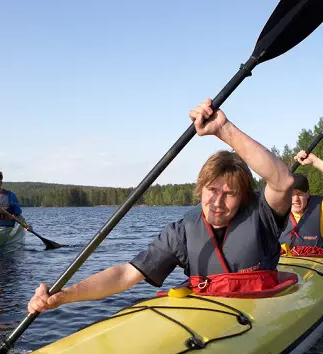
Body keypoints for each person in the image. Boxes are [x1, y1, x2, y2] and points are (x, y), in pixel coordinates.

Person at [28, 98, 294, 314]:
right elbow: (124, 275)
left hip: (262, 313)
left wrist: (224, 130)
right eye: (212, 190)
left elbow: (283, 180)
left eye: (230, 193)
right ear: (200, 189)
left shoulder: (262, 214)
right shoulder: (182, 232)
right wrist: (65, 296)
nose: (217, 202)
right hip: (212, 319)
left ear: (243, 196)